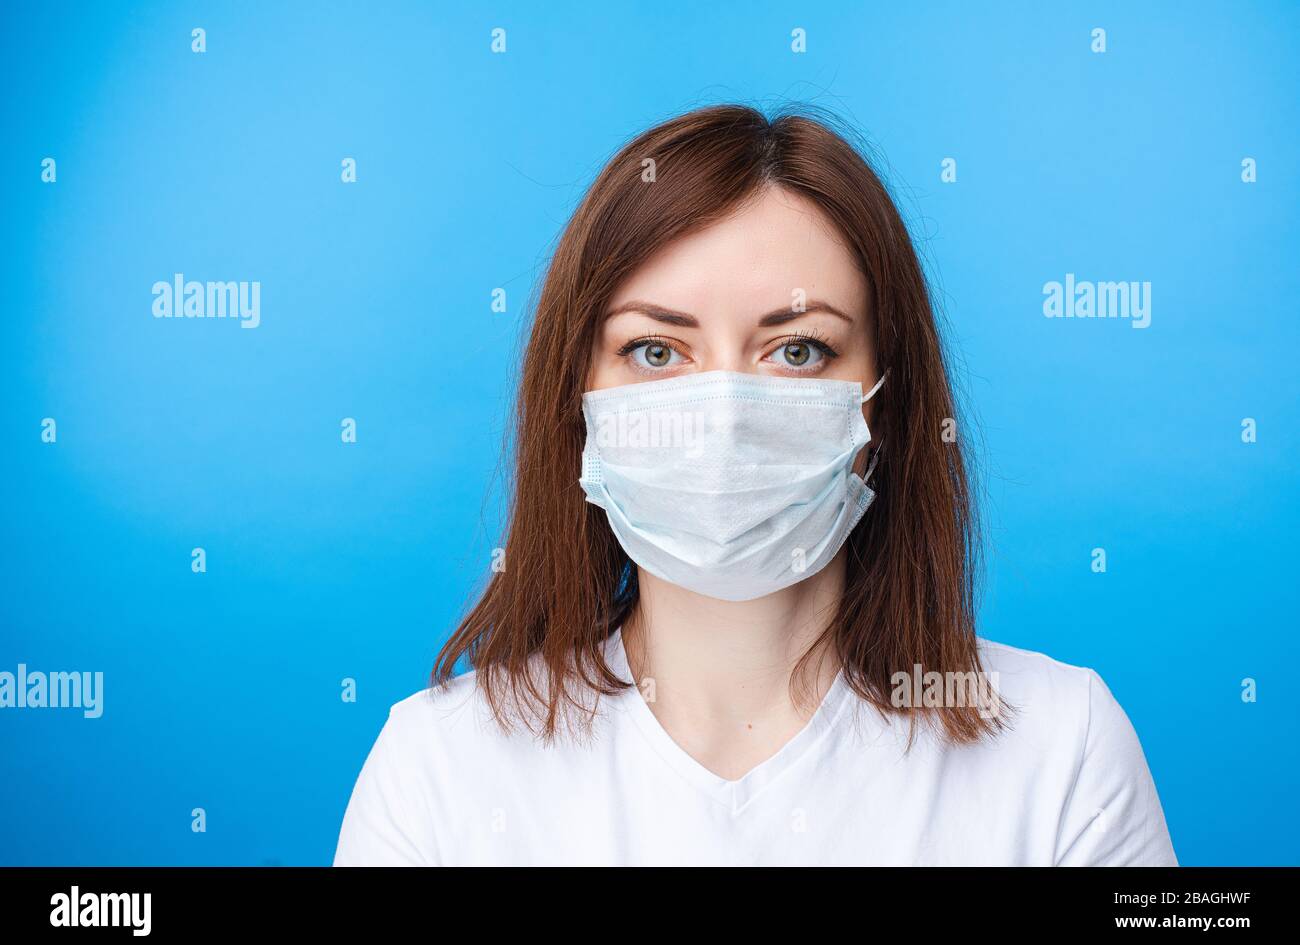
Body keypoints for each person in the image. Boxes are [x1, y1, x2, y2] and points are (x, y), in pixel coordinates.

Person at [333, 104, 1177, 866]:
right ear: (579, 400)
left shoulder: (1062, 749)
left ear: (886, 401)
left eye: (798, 350)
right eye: (657, 351)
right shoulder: (436, 772)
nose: (725, 415)